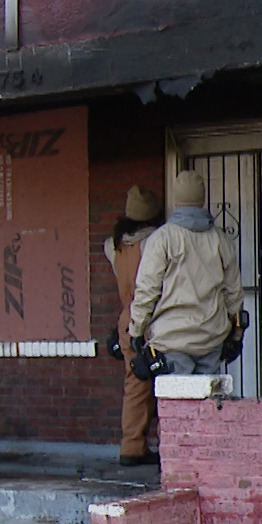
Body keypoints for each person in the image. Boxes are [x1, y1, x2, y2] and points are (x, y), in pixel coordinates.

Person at [129, 169, 244, 381]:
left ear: (176, 201)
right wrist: (236, 334)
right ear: (202, 200)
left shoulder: (161, 239)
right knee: (207, 408)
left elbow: (147, 290)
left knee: (178, 410)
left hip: (171, 341)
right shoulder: (221, 240)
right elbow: (234, 294)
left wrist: (136, 329)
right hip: (211, 339)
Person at [103, 185, 164, 468]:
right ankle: (169, 446)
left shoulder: (114, 245)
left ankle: (132, 446)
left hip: (125, 318)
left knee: (135, 384)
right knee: (165, 381)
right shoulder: (154, 242)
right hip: (153, 317)